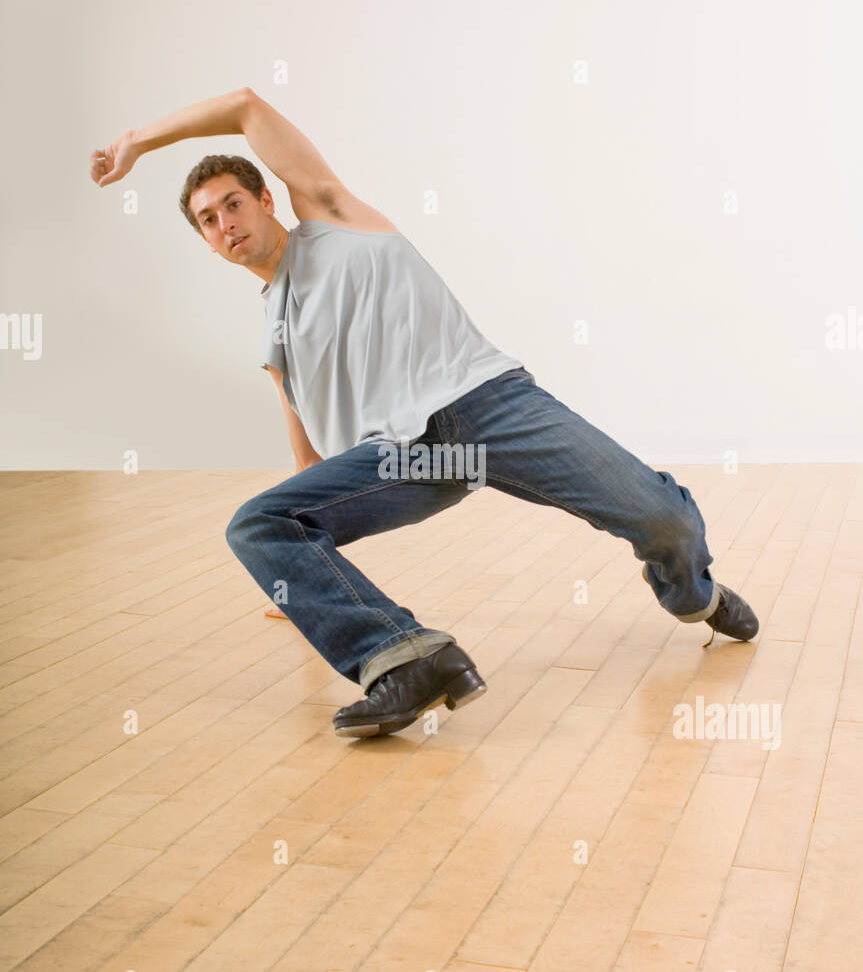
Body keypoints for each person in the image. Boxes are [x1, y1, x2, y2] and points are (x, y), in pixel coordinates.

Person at [90, 87, 759, 738]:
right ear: (206, 243)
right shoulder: (274, 332)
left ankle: (693, 596)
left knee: (662, 519)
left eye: (232, 204)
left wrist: (138, 143)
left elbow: (245, 106)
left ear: (267, 200)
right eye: (208, 221)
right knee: (257, 524)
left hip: (490, 403)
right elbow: (308, 455)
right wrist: (297, 569)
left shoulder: (332, 218)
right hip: (410, 455)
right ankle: (406, 658)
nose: (225, 224)